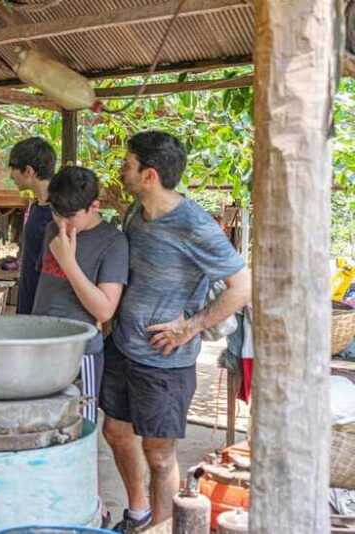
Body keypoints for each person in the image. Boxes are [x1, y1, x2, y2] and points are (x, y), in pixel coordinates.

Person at [101, 131, 251, 532]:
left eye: (127, 164)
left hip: (164, 361)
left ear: (148, 175)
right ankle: (138, 514)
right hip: (124, 347)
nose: (121, 171)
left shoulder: (194, 224)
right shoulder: (136, 211)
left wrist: (191, 326)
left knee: (160, 455)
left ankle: (163, 528)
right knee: (115, 431)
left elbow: (243, 285)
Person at [32, 166, 128, 425]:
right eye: (55, 212)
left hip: (80, 351)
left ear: (94, 206)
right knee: (36, 423)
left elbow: (105, 310)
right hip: (39, 345)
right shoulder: (52, 229)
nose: (61, 223)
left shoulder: (113, 242)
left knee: (77, 427)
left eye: (70, 216)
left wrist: (68, 263)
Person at [8, 137, 57, 314]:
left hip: (44, 311)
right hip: (28, 304)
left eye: (13, 168)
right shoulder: (37, 206)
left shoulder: (57, 215)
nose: (11, 175)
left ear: (28, 171)